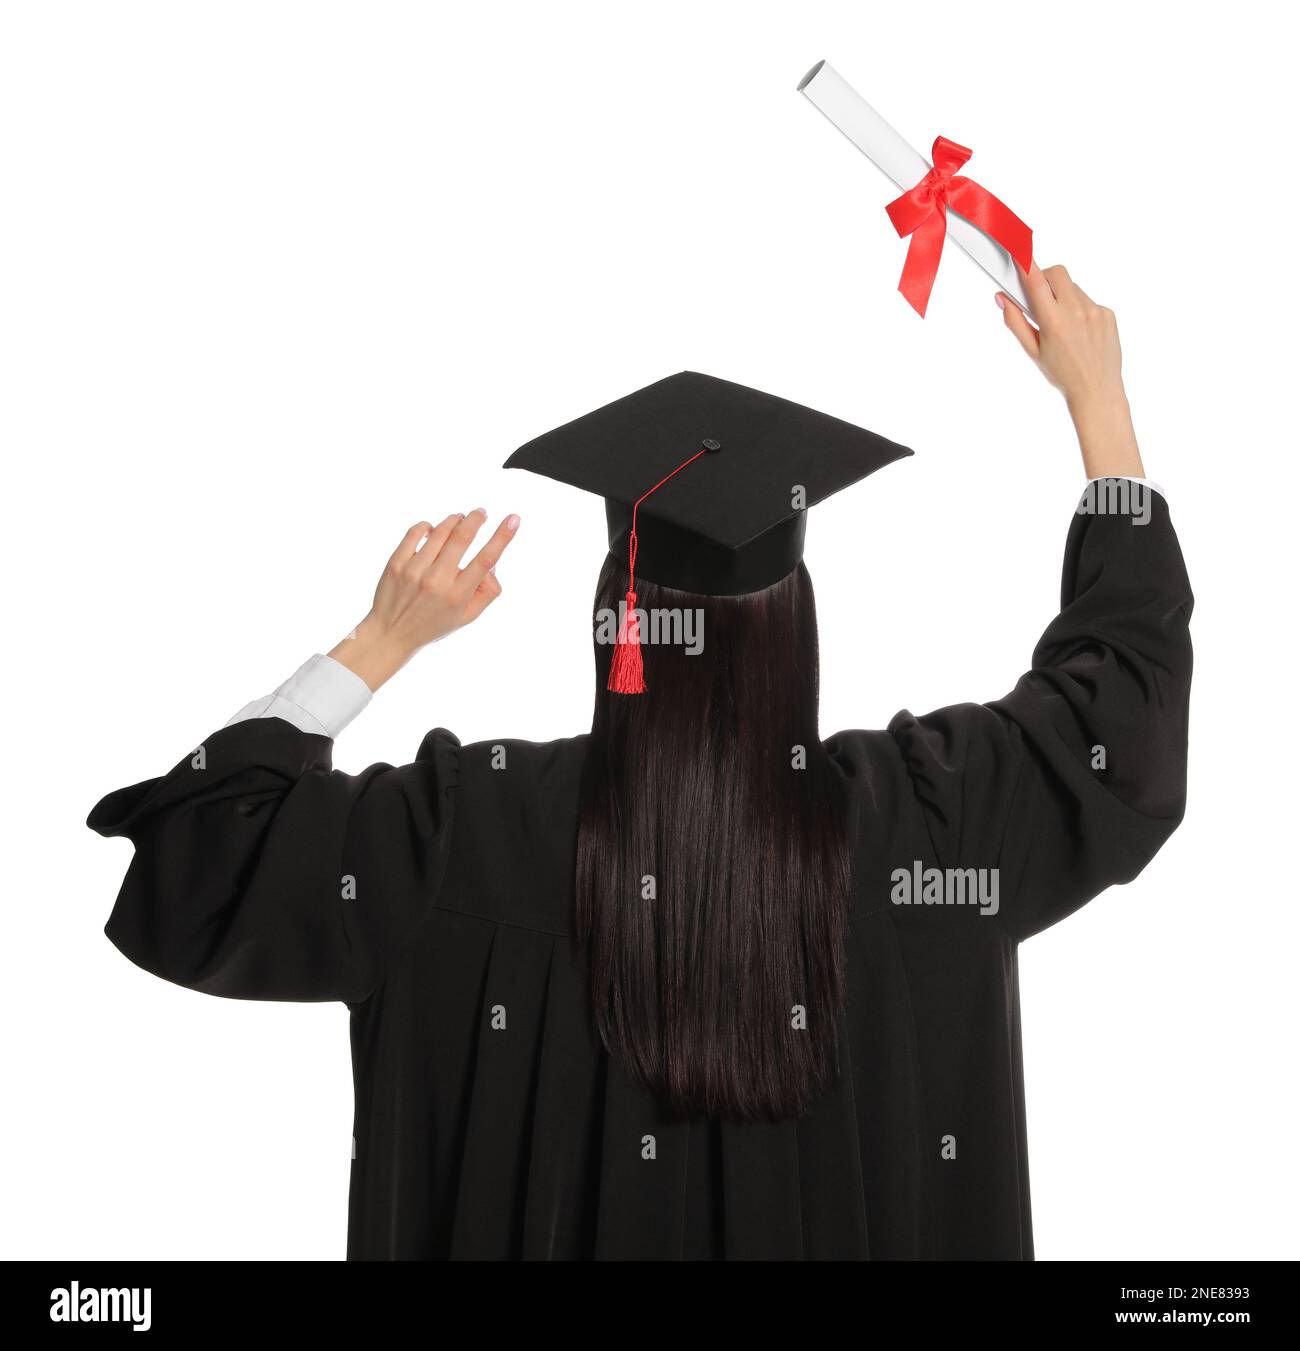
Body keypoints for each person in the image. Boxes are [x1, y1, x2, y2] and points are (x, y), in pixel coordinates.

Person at [88, 262, 1193, 1260]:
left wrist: (380, 642)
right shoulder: (930, 827)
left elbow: (200, 858)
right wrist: (1099, 401)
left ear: (616, 624)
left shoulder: (461, 837)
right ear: (792, 621)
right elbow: (1121, 714)